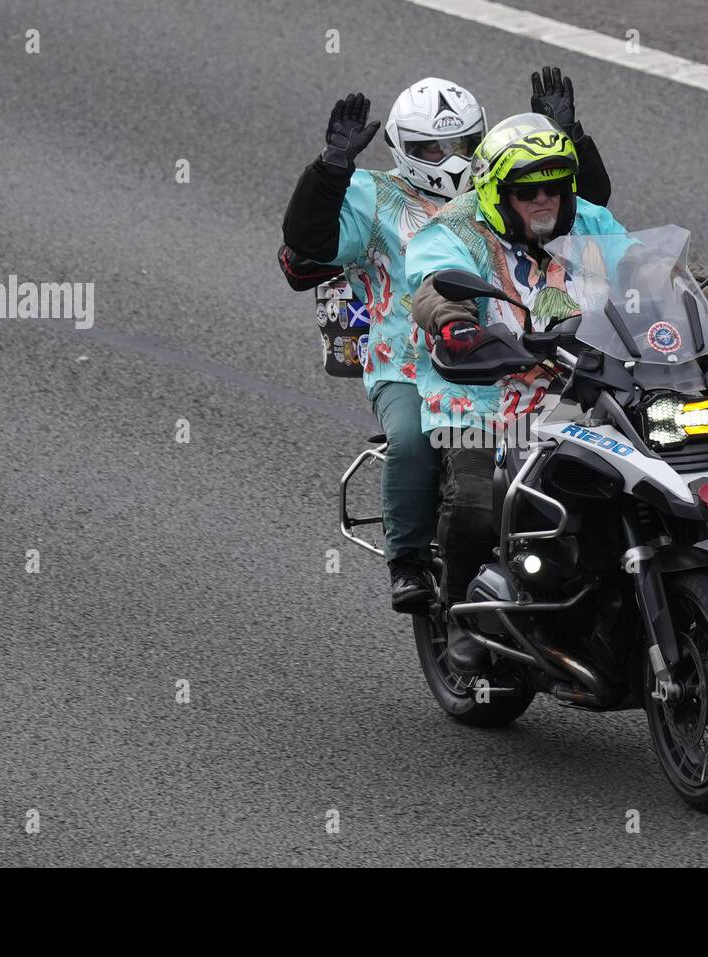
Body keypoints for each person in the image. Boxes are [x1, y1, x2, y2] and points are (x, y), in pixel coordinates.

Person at [279, 71, 612, 613]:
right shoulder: (372, 195)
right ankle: (408, 559)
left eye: (463, 143)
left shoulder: (502, 185)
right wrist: (330, 169)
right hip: (411, 361)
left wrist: (569, 136)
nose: (450, 157)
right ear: (402, 149)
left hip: (523, 354)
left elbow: (584, 218)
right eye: (432, 147)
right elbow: (308, 241)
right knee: (413, 439)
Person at [405, 112, 632, 671]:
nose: (543, 201)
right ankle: (461, 615)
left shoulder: (591, 224)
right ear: (496, 191)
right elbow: (432, 287)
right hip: (482, 392)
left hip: (587, 386)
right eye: (527, 191)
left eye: (554, 188)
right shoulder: (454, 231)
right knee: (479, 502)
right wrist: (455, 323)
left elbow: (654, 269)